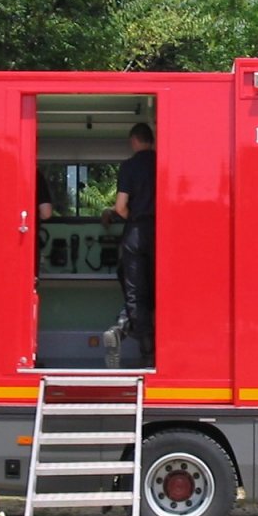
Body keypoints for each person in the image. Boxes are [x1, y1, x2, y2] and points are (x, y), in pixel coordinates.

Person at [102, 123, 155, 367]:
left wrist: (126, 216)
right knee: (159, 290)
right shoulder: (162, 163)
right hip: (163, 234)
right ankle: (126, 329)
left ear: (134, 141)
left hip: (136, 233)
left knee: (135, 291)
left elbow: (121, 206)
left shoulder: (130, 166)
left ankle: (143, 347)